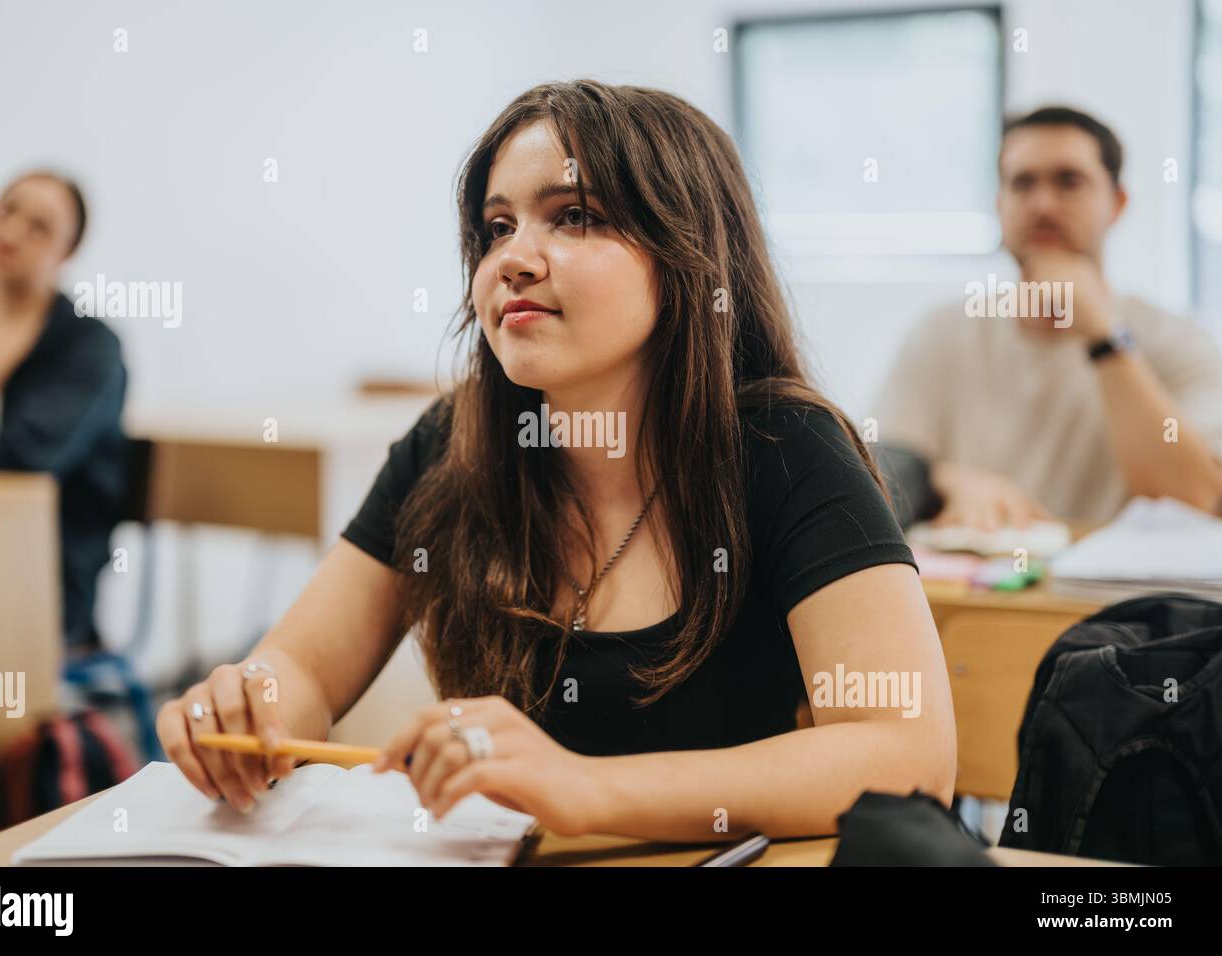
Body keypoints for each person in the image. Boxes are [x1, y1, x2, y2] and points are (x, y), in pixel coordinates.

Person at [157, 80, 956, 842]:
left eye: (572, 216)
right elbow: (302, 666)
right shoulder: (451, 442)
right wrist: (250, 709)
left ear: (688, 256)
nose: (515, 258)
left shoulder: (787, 448)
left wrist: (584, 789)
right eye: (498, 227)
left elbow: (907, 756)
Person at [875, 106, 1222, 531]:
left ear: (1117, 202)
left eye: (1068, 181)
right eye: (1022, 184)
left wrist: (1104, 337)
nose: (1042, 204)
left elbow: (1197, 500)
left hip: (1108, 597)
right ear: (1000, 205)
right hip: (971, 596)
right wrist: (945, 481)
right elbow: (878, 474)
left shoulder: (1177, 341)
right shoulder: (941, 333)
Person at [0, 170, 129, 653]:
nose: (12, 231)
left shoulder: (90, 346)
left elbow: (27, 452)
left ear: (67, 252)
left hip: (45, 574)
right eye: (7, 209)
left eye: (39, 226)